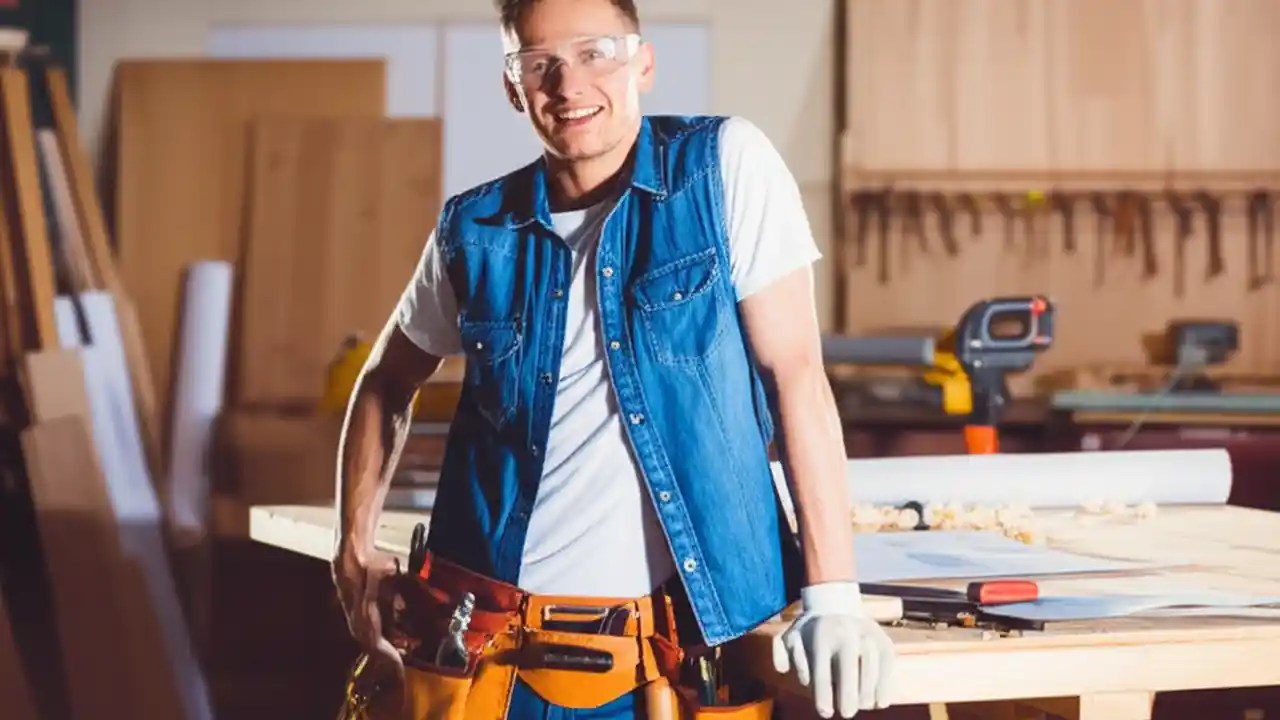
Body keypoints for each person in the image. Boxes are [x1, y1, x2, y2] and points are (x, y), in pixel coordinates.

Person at [330, 0, 895, 717]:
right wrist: (352, 549)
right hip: (494, 657)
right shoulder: (473, 228)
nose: (568, 85)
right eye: (539, 63)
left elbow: (798, 381)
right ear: (513, 86)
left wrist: (833, 596)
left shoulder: (722, 168)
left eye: (595, 52)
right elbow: (384, 382)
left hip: (680, 660)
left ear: (643, 63)